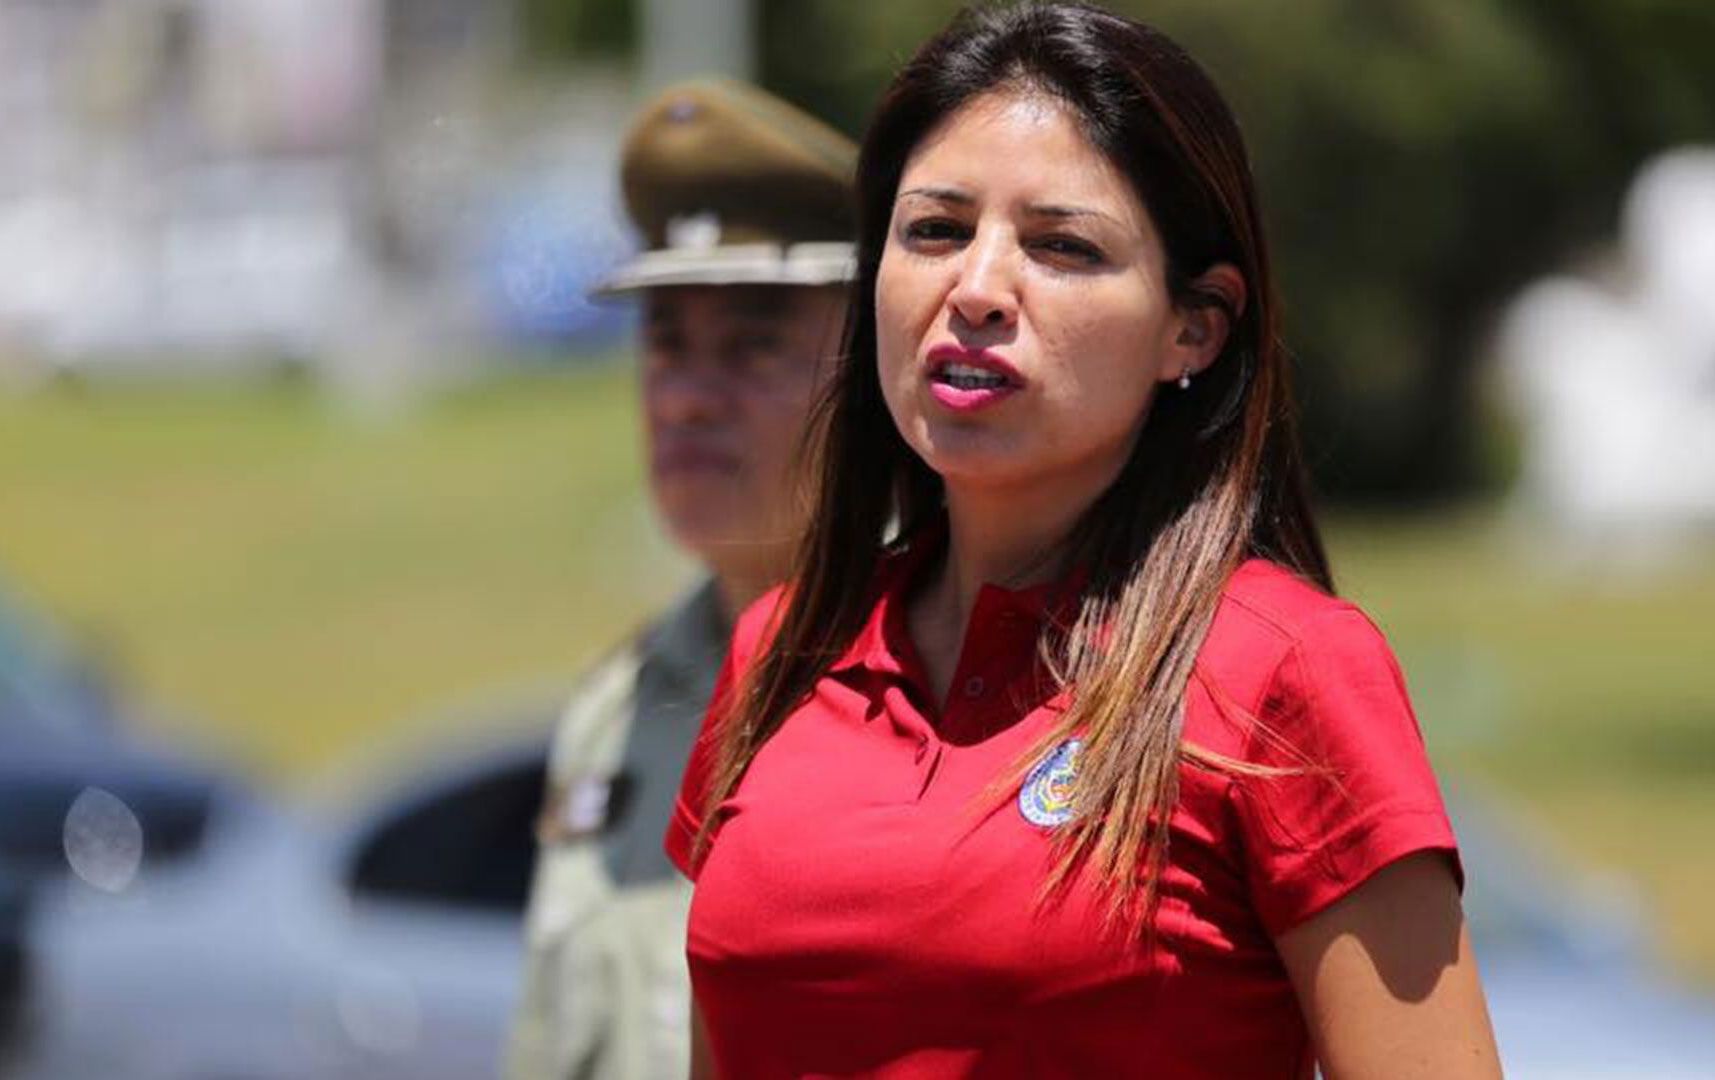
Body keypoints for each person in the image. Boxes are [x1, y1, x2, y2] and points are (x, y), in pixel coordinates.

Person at [664, 5, 1501, 1078]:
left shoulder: (1283, 672)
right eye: (935, 231)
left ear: (1192, 327)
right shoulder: (779, 648)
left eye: (1062, 246)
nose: (976, 289)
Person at [503, 79, 853, 1080]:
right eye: (666, 343)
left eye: (753, 344)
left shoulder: (960, 697)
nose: (689, 399)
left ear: (876, 375)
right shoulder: (613, 711)